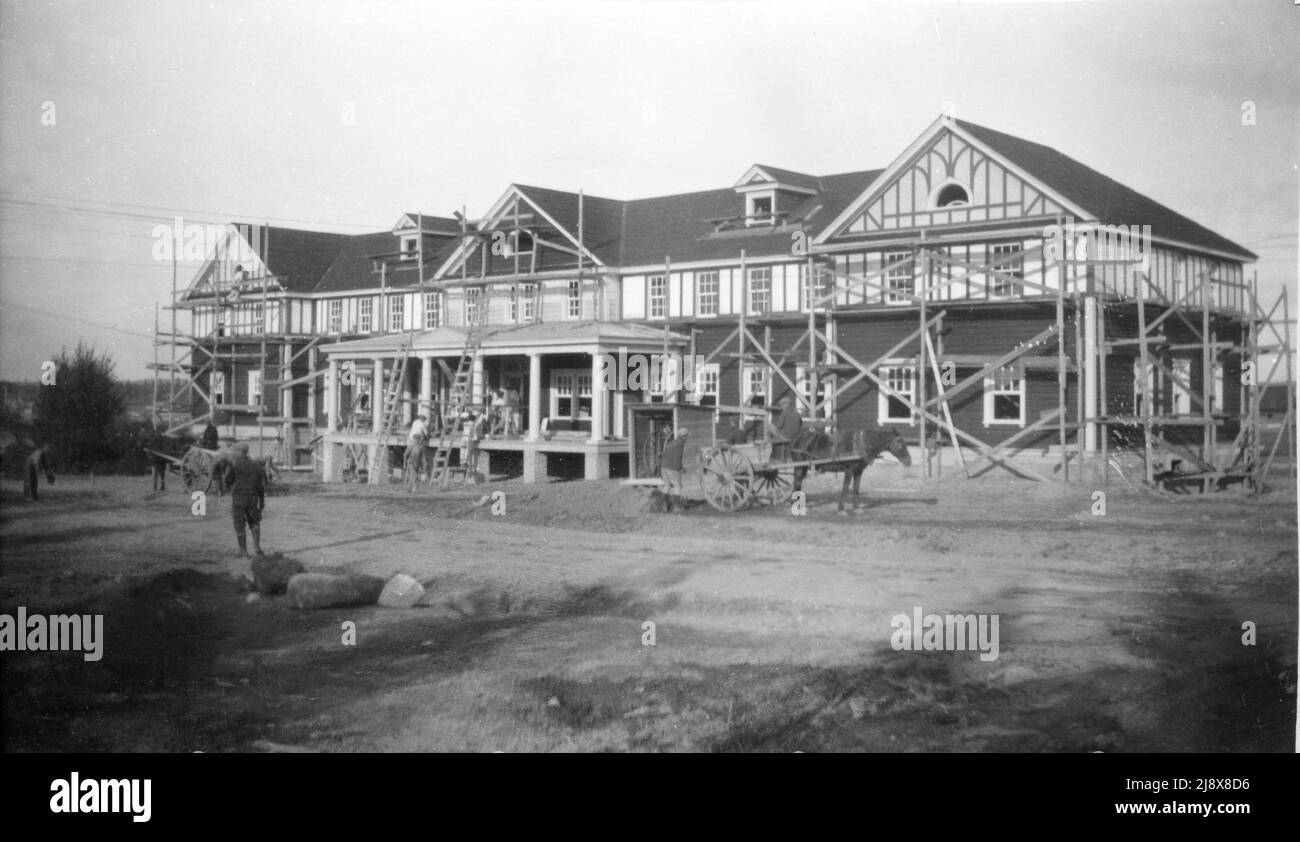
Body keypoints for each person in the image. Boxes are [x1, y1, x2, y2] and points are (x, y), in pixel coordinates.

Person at [222, 441, 266, 558]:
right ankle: (257, 547)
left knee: (239, 523)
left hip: (239, 497)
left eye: (235, 451)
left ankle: (243, 551)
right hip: (253, 497)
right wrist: (262, 501)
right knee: (254, 522)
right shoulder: (256, 465)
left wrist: (230, 487)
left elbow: (227, 480)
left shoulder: (234, 464)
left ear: (238, 451)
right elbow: (260, 486)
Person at [659, 427, 690, 514]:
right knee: (678, 486)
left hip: (663, 467)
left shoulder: (672, 442)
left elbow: (665, 454)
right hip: (672, 468)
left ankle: (664, 505)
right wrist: (681, 468)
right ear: (684, 436)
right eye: (687, 436)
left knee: (667, 485)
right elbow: (677, 458)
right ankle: (676, 507)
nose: (687, 438)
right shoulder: (680, 444)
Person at [767, 395, 803, 462]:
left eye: (781, 405)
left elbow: (779, 426)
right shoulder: (797, 413)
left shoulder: (784, 413)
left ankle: (772, 454)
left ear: (785, 405)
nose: (781, 407)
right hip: (796, 437)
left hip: (785, 437)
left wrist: (771, 429)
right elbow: (800, 425)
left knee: (770, 426)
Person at [406, 414, 429, 479]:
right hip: (415, 443)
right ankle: (418, 473)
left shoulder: (415, 422)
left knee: (413, 457)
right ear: (423, 419)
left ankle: (414, 472)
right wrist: (428, 437)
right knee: (419, 457)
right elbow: (426, 434)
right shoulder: (422, 424)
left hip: (410, 440)